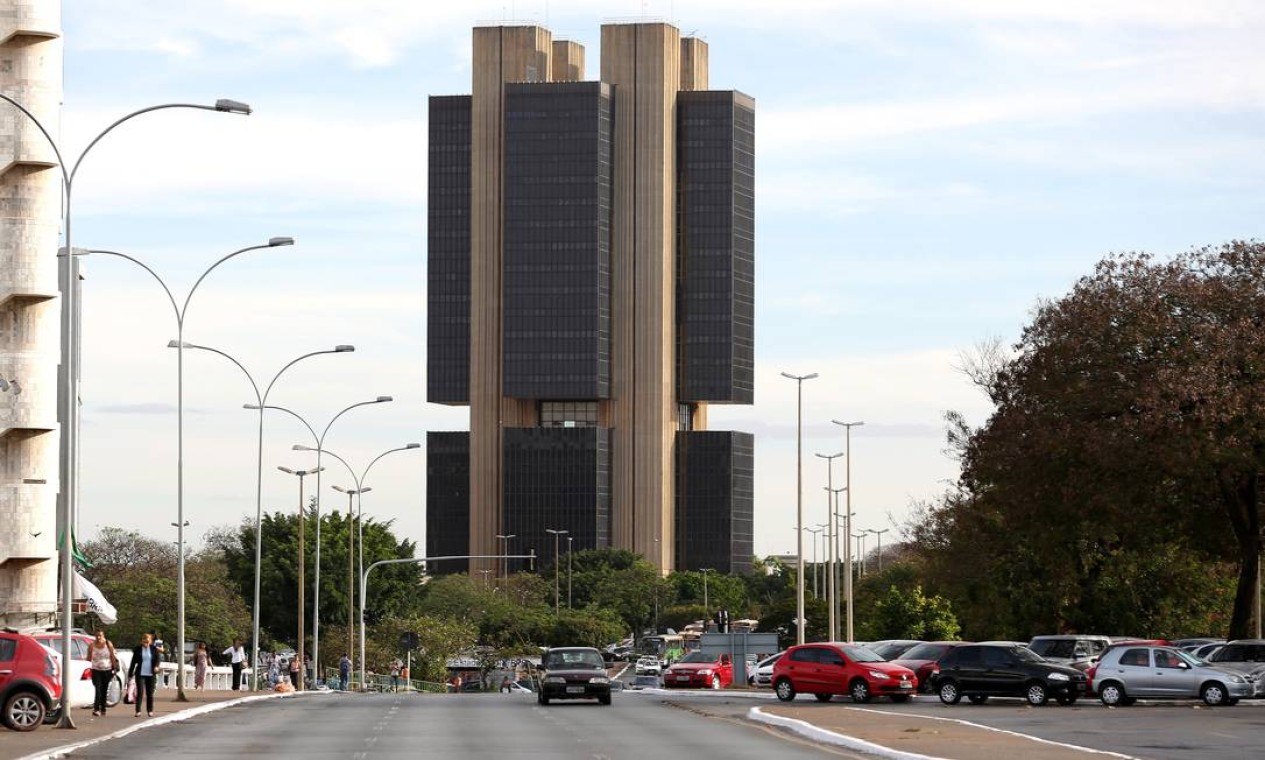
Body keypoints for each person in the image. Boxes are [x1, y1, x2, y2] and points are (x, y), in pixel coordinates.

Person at [127, 632, 162, 718]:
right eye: (144, 639)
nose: (146, 641)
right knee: (140, 692)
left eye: (148, 640)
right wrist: (130, 673)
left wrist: (156, 666)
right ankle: (138, 711)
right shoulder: (138, 649)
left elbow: (157, 659)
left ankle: (150, 710)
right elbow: (133, 662)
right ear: (142, 640)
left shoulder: (154, 649)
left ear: (150, 641)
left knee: (150, 693)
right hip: (140, 673)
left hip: (151, 673)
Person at [87, 630, 118, 716]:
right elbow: (88, 658)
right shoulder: (92, 646)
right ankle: (96, 709)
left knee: (104, 690)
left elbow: (112, 656)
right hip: (95, 670)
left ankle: (103, 708)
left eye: (100, 635)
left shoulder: (108, 644)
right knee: (98, 689)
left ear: (103, 635)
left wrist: (115, 668)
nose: (98, 637)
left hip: (107, 670)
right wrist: (86, 667)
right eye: (97, 636)